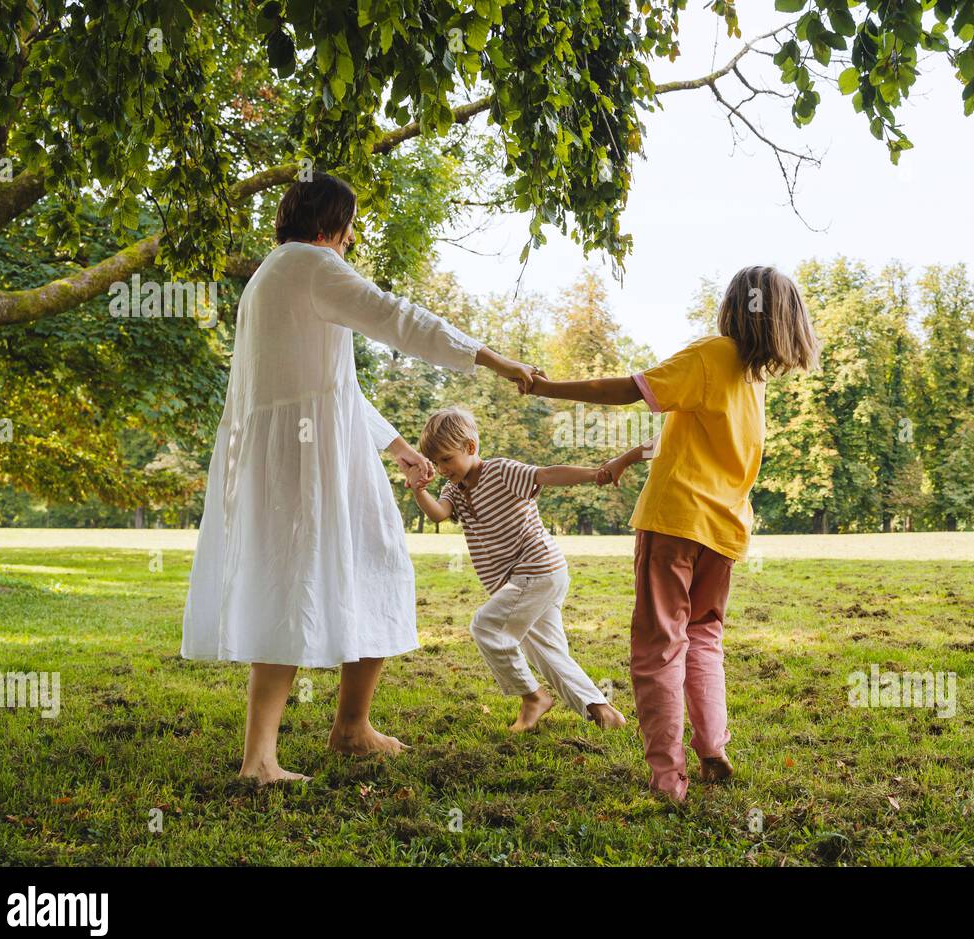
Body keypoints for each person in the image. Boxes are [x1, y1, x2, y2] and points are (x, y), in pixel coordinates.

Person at [182, 173, 536, 783]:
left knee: (330, 572)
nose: (352, 238)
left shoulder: (272, 274)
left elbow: (329, 387)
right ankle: (278, 754)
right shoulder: (315, 266)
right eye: (349, 226)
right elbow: (398, 318)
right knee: (325, 576)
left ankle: (340, 731)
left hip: (302, 451)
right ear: (332, 226)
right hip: (311, 459)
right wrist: (491, 358)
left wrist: (397, 447)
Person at [523, 266, 819, 800]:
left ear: (733, 307)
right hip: (724, 532)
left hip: (675, 521)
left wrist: (546, 386)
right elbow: (692, 435)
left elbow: (629, 390)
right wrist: (626, 457)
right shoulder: (753, 381)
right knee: (704, 638)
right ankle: (713, 749)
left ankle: (667, 776)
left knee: (660, 646)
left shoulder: (710, 355)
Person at [412, 407, 628, 733]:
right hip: (529, 579)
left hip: (536, 571)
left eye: (446, 459)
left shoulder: (500, 471)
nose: (442, 469)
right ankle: (603, 712)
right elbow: (438, 515)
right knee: (546, 651)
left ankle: (533, 697)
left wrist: (596, 473)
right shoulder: (453, 490)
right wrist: (418, 490)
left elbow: (546, 475)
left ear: (470, 447)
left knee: (486, 627)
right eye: (437, 463)